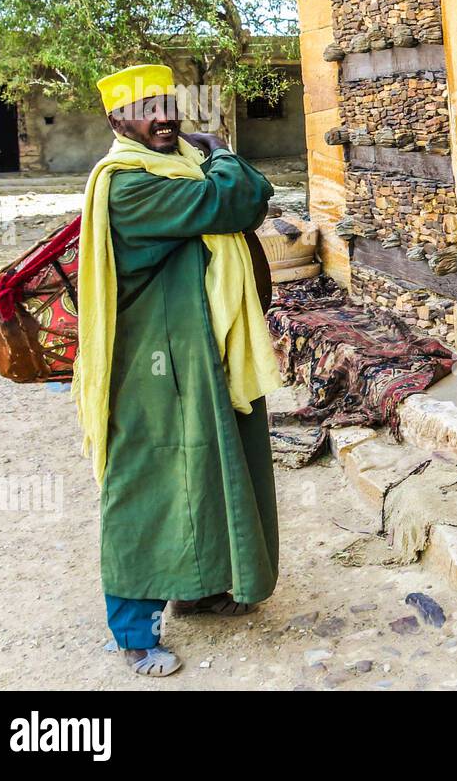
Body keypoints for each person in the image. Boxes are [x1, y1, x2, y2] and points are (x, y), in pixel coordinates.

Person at [73, 63, 282, 676]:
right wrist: (221, 151)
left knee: (215, 462)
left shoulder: (172, 167)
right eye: (144, 109)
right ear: (118, 122)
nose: (163, 117)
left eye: (168, 105)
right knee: (149, 479)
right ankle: (135, 630)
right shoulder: (131, 185)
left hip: (199, 349)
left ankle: (203, 584)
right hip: (150, 362)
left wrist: (213, 159)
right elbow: (237, 201)